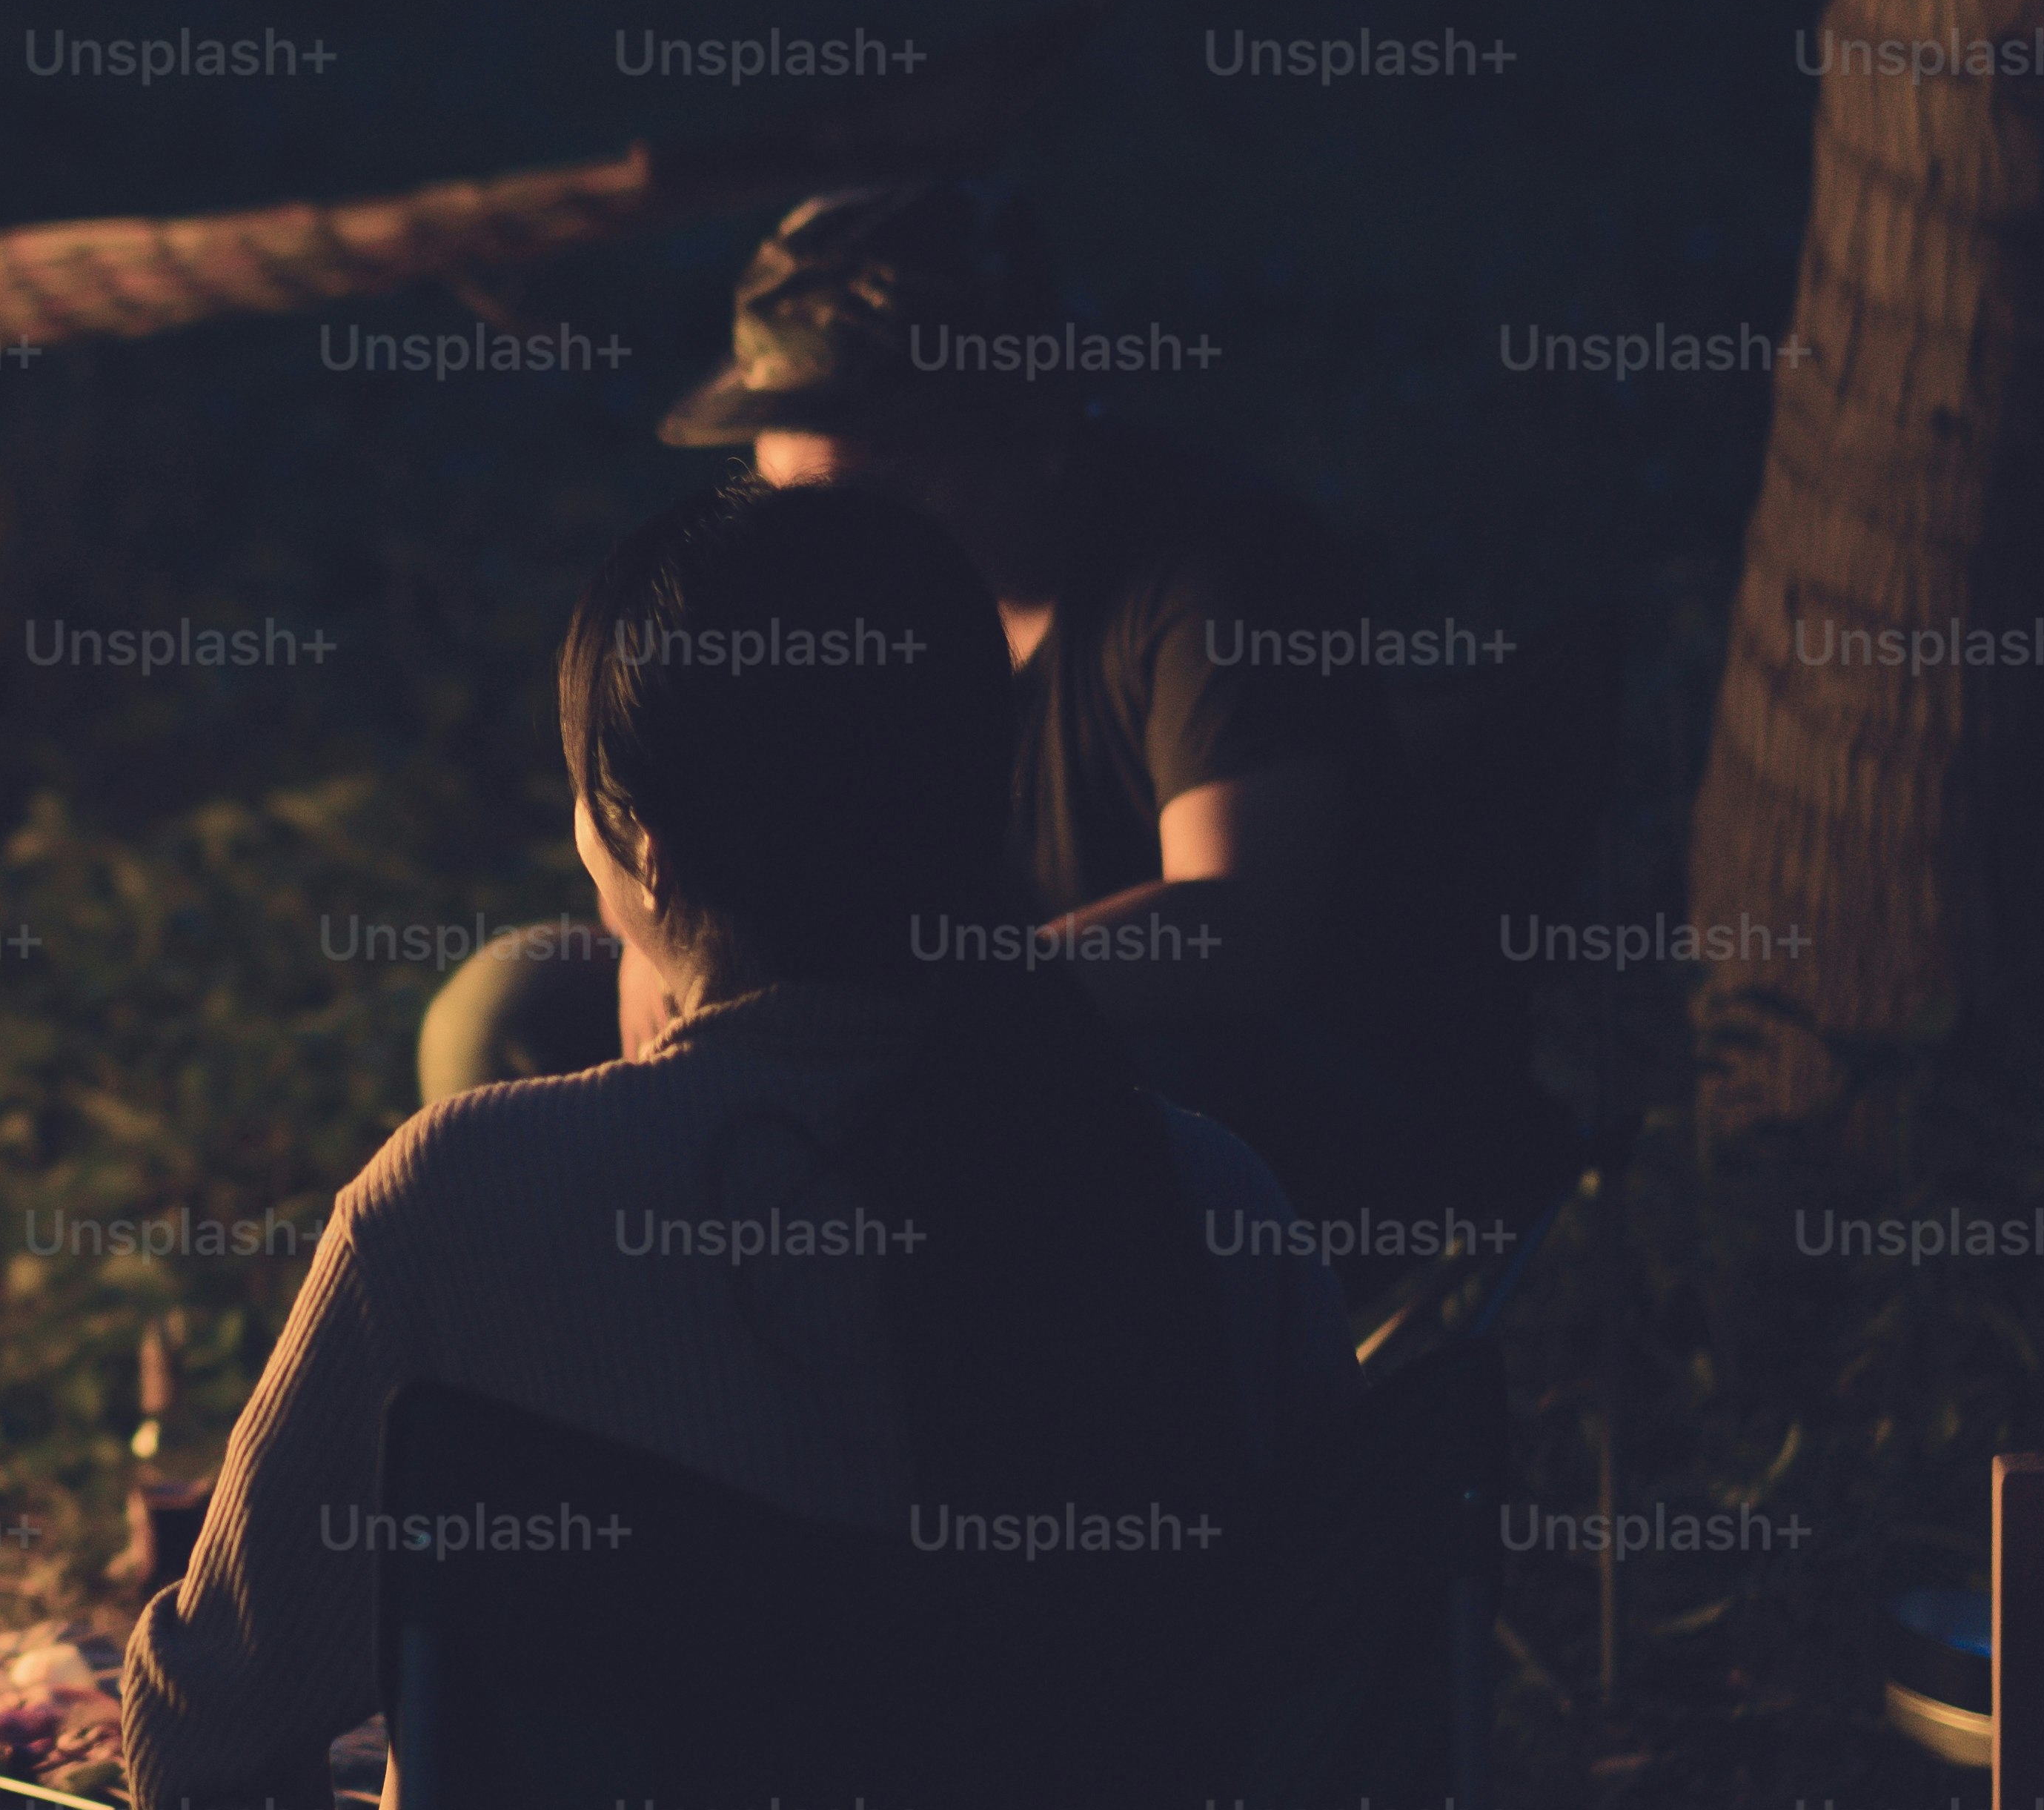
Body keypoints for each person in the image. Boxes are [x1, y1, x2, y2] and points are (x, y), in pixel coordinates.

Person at [132, 474, 1353, 1810]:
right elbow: (1311, 1749)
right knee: (980, 1806)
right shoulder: (1205, 1204)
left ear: (632, 837)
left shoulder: (468, 1210)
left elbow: (210, 1729)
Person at [410, 179, 1538, 1236]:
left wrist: (878, 1017)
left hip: (1243, 1103)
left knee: (1000, 1112)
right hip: (918, 1057)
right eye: (784, 499)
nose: (818, 548)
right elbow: (730, 837)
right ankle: (638, 1384)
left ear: (1022, 426)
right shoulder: (835, 607)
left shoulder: (1219, 577)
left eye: (860, 497)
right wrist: (663, 941)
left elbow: (1235, 928)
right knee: (515, 1011)